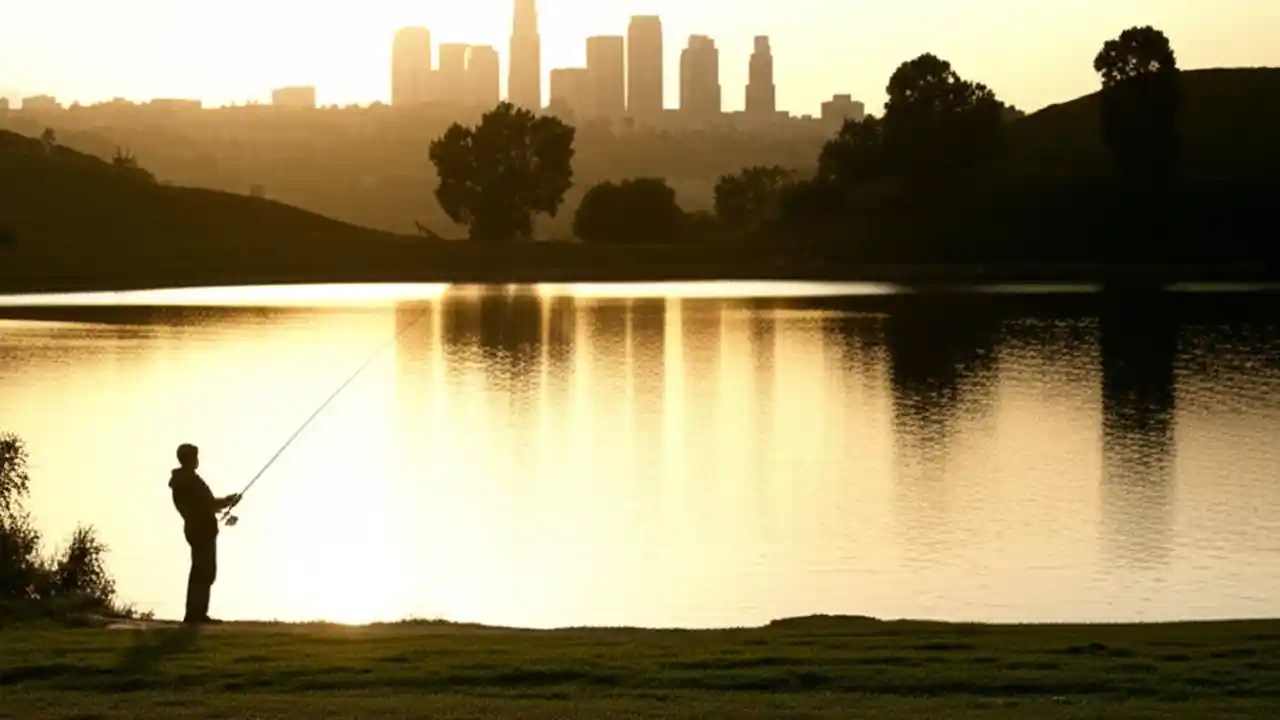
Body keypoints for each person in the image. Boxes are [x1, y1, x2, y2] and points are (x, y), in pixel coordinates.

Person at [169, 444, 239, 624]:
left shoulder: (183, 482)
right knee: (204, 572)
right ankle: (195, 614)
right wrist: (228, 501)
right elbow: (207, 505)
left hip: (196, 528)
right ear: (191, 459)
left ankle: (197, 613)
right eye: (195, 456)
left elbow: (206, 505)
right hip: (202, 530)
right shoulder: (190, 482)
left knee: (202, 571)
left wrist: (226, 502)